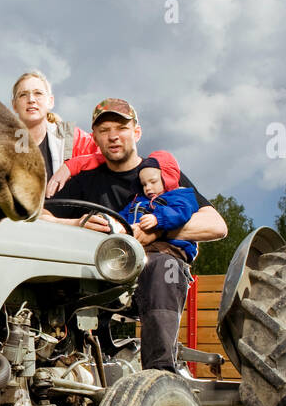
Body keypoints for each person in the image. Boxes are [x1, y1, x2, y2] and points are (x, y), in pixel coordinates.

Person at [42, 98, 227, 373]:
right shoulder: (82, 181)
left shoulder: (158, 175)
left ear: (136, 132)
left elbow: (216, 225)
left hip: (153, 269)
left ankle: (160, 374)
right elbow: (42, 218)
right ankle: (55, 363)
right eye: (104, 130)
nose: (113, 136)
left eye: (121, 128)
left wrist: (158, 230)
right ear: (95, 138)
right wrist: (76, 223)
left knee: (165, 267)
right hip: (93, 275)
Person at [118, 159, 199, 264]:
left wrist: (157, 218)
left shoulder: (178, 196)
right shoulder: (138, 201)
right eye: (144, 184)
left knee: (157, 261)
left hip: (171, 246)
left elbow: (180, 211)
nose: (148, 188)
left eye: (153, 182)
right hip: (142, 246)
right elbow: (124, 214)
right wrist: (114, 221)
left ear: (167, 177)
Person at [11, 71, 77, 181]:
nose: (31, 100)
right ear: (14, 105)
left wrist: (71, 166)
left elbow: (107, 154)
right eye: (23, 95)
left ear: (50, 101)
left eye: (38, 93)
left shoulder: (70, 136)